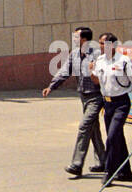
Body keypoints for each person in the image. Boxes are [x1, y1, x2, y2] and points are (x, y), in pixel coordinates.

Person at [42, 26, 106, 178]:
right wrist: (52, 86)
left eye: (76, 37)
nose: (74, 39)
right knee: (93, 128)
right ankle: (103, 161)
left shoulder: (97, 55)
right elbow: (65, 71)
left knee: (84, 126)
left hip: (97, 96)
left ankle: (76, 165)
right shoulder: (75, 54)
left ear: (84, 39)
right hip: (83, 96)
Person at [93, 33, 132, 186]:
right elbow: (97, 81)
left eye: (104, 43)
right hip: (107, 104)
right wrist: (91, 72)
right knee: (117, 137)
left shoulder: (123, 61)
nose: (101, 46)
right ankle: (126, 172)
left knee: (111, 137)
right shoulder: (100, 61)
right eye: (100, 43)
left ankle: (109, 172)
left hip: (121, 103)